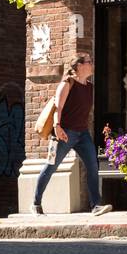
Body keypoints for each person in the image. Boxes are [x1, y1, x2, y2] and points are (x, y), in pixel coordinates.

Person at [32, 54, 110, 216]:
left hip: (82, 133)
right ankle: (36, 203)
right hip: (64, 133)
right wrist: (57, 127)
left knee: (93, 166)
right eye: (89, 61)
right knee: (51, 166)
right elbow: (57, 108)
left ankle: (95, 205)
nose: (92, 64)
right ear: (79, 66)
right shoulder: (68, 83)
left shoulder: (90, 87)